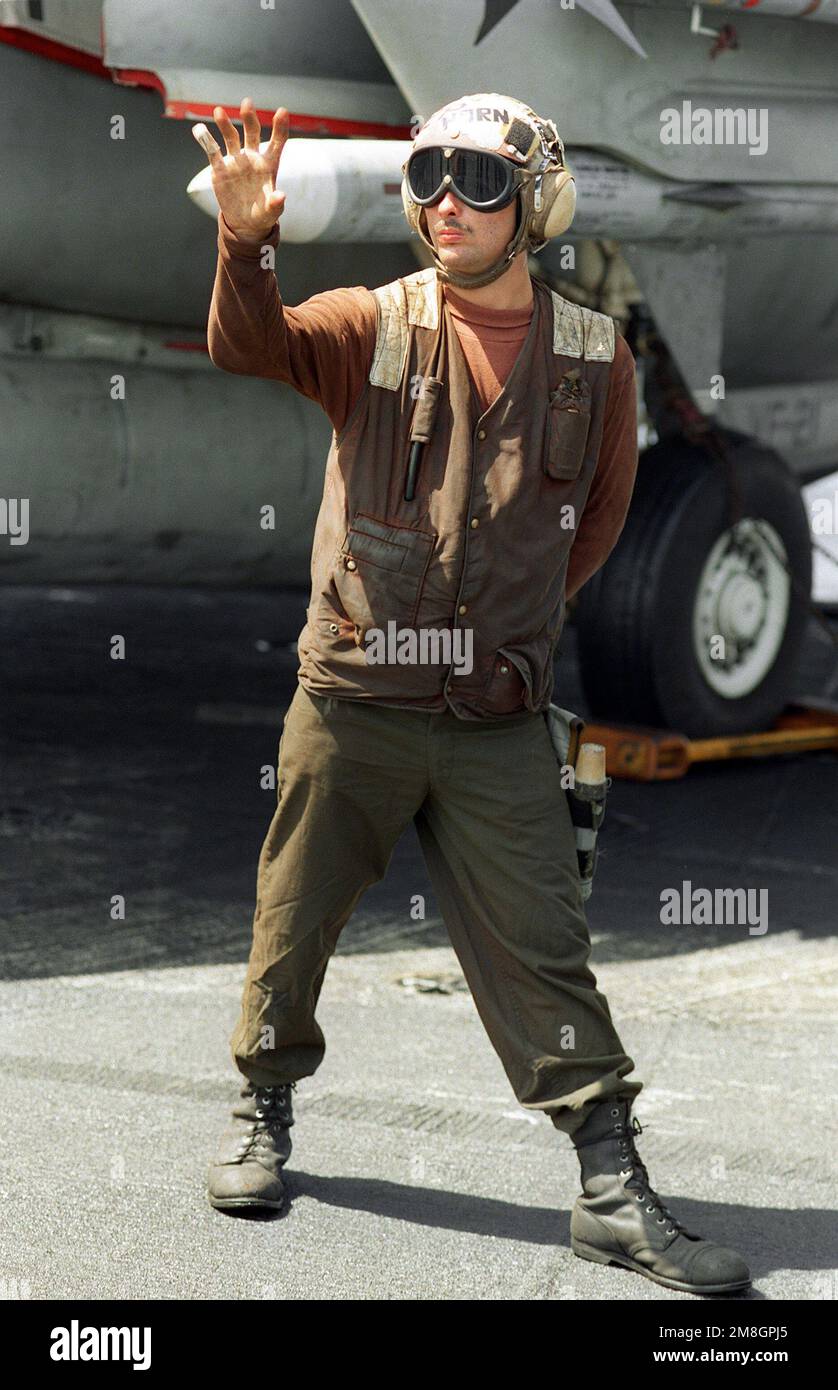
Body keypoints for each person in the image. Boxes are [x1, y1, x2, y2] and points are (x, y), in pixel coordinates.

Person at [194, 91, 750, 1295]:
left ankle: (611, 1189)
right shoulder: (372, 324)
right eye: (432, 172)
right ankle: (260, 1114)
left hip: (496, 717)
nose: (447, 197)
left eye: (480, 179)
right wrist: (247, 246)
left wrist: (505, 628)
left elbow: (593, 525)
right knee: (292, 923)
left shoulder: (595, 357)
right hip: (353, 698)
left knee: (548, 955)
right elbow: (253, 346)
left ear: (534, 204)